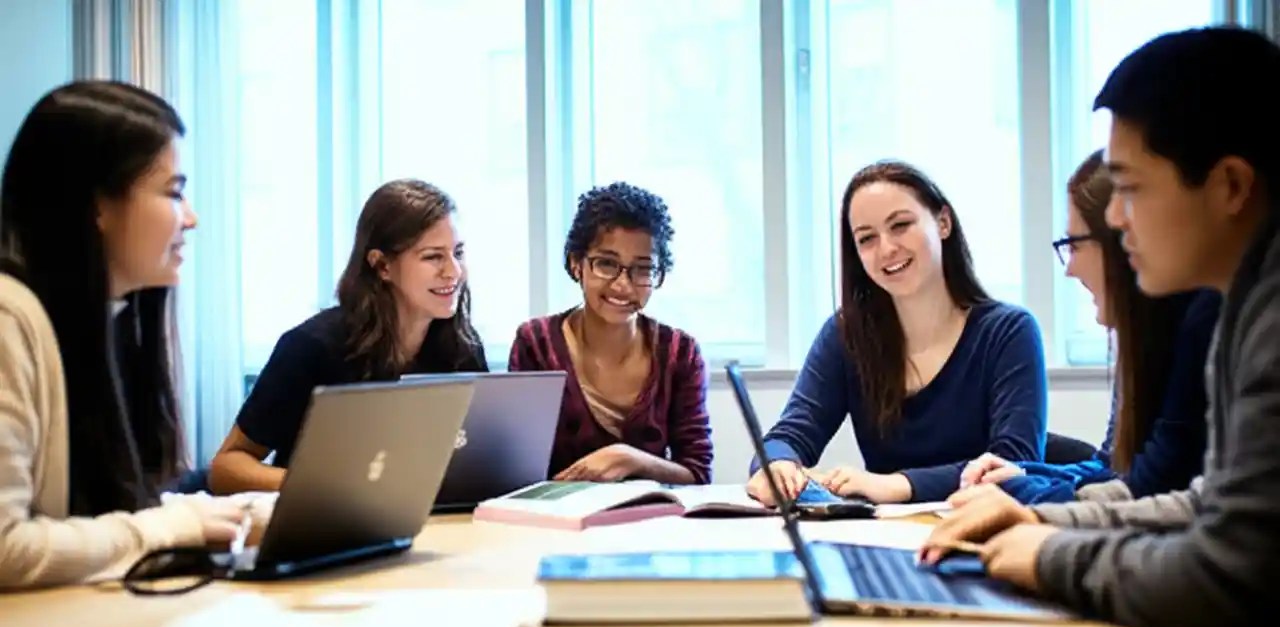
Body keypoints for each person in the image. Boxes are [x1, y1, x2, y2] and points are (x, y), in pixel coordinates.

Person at [923, 26, 1280, 627]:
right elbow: (1204, 506)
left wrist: (1050, 556)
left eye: (1132, 188)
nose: (1115, 218)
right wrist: (1042, 519)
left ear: (1230, 185)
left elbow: (1235, 577)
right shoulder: (1245, 304)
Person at [0, 80, 250, 589]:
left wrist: (253, 514)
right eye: (173, 192)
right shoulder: (9, 318)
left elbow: (107, 511)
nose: (191, 218)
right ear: (97, 206)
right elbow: (7, 547)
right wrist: (167, 528)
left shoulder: (105, 319)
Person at [747, 161, 1047, 505]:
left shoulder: (1009, 332)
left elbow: (1015, 464)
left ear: (943, 223)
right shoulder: (846, 334)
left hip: (985, 535)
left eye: (901, 225)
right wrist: (778, 464)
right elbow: (791, 433)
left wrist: (897, 485)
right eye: (867, 238)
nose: (887, 248)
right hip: (887, 535)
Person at [957, 150, 1220, 505]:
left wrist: (1020, 491)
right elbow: (1113, 466)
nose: (1069, 269)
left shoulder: (1201, 323)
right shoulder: (1138, 342)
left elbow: (1150, 485)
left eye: (1074, 245)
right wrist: (1024, 475)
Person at [209, 180, 486, 494]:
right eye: (433, 257)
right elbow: (226, 467)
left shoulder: (462, 345)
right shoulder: (311, 347)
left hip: (437, 522)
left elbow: (479, 456)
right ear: (381, 265)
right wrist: (324, 488)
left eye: (458, 253)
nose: (454, 271)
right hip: (327, 527)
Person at [508, 182, 711, 484]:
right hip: (557, 523)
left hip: (650, 522)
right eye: (606, 264)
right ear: (577, 264)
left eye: (642, 269)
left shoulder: (680, 352)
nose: (622, 286)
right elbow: (515, 467)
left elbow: (698, 474)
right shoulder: (536, 343)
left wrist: (628, 458)